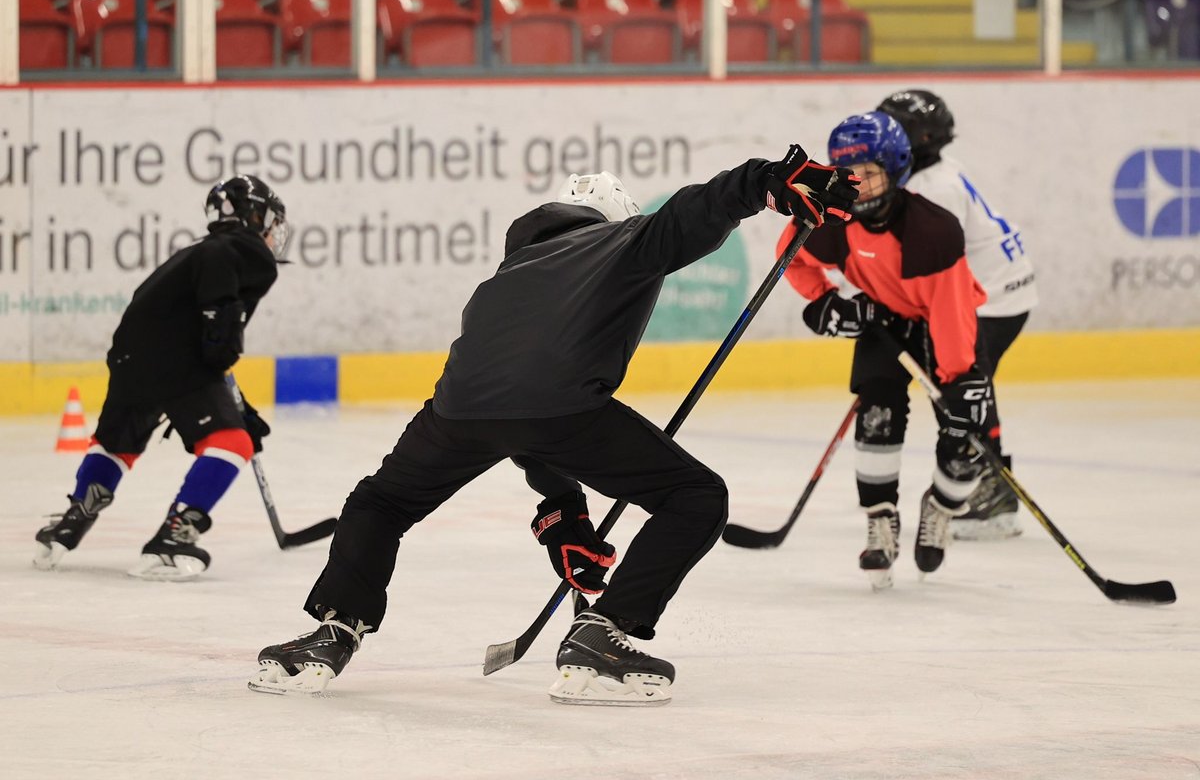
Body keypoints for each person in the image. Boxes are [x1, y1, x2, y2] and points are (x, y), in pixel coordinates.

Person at [248, 150, 859, 705]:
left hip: (457, 411)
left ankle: (332, 630)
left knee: (380, 502)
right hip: (563, 409)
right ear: (614, 219)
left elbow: (516, 409)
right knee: (696, 497)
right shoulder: (620, 243)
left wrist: (563, 513)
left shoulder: (507, 272)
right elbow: (688, 215)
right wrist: (769, 181)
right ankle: (604, 632)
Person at [776, 111, 996, 591]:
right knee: (877, 411)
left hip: (944, 326)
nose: (860, 185)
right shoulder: (832, 221)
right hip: (881, 320)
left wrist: (959, 378)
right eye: (850, 174)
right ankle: (880, 518)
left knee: (966, 435)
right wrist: (826, 301)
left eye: (871, 173)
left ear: (895, 168)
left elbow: (951, 309)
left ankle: (940, 507)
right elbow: (791, 255)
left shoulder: (932, 232)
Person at [33, 175, 289, 581]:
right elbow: (217, 332)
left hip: (130, 358)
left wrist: (221, 378)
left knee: (118, 444)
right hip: (175, 360)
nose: (273, 234)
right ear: (253, 216)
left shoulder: (197, 253)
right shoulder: (243, 251)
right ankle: (173, 537)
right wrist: (224, 385)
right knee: (231, 441)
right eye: (270, 221)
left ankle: (71, 522)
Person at [878, 89, 1037, 541]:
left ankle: (992, 494)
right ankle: (987, 480)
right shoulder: (930, 173)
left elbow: (932, 271)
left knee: (959, 389)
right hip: (997, 292)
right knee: (962, 387)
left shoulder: (934, 189)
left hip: (992, 300)